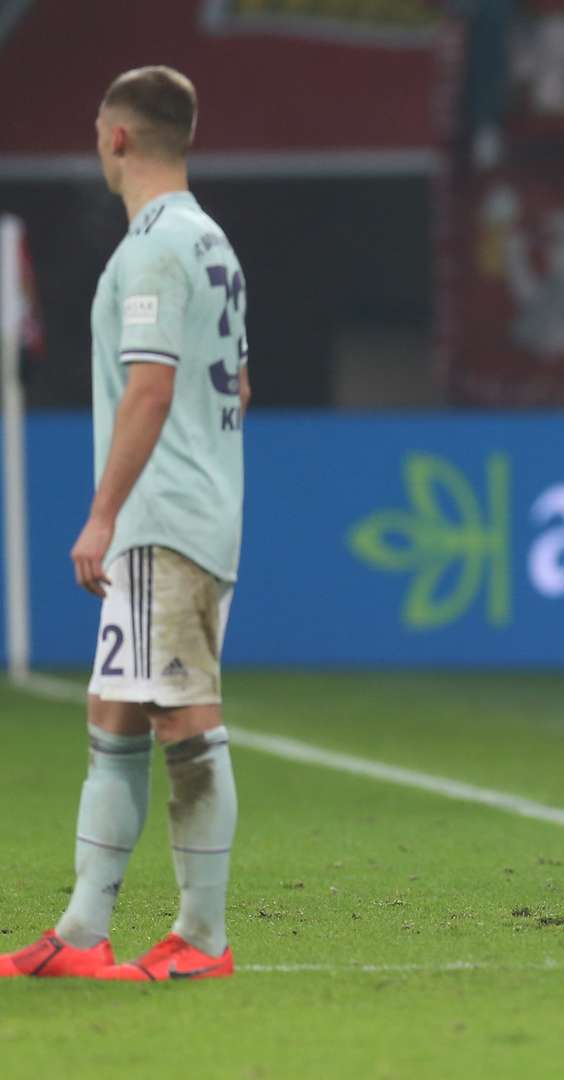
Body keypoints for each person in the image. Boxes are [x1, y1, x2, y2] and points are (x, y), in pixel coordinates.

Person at [1, 67, 248, 981]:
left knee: (183, 716)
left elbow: (151, 386)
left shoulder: (154, 247)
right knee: (114, 708)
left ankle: (204, 937)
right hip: (193, 504)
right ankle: (79, 931)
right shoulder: (212, 244)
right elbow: (240, 386)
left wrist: (103, 516)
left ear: (117, 138)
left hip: (162, 517)